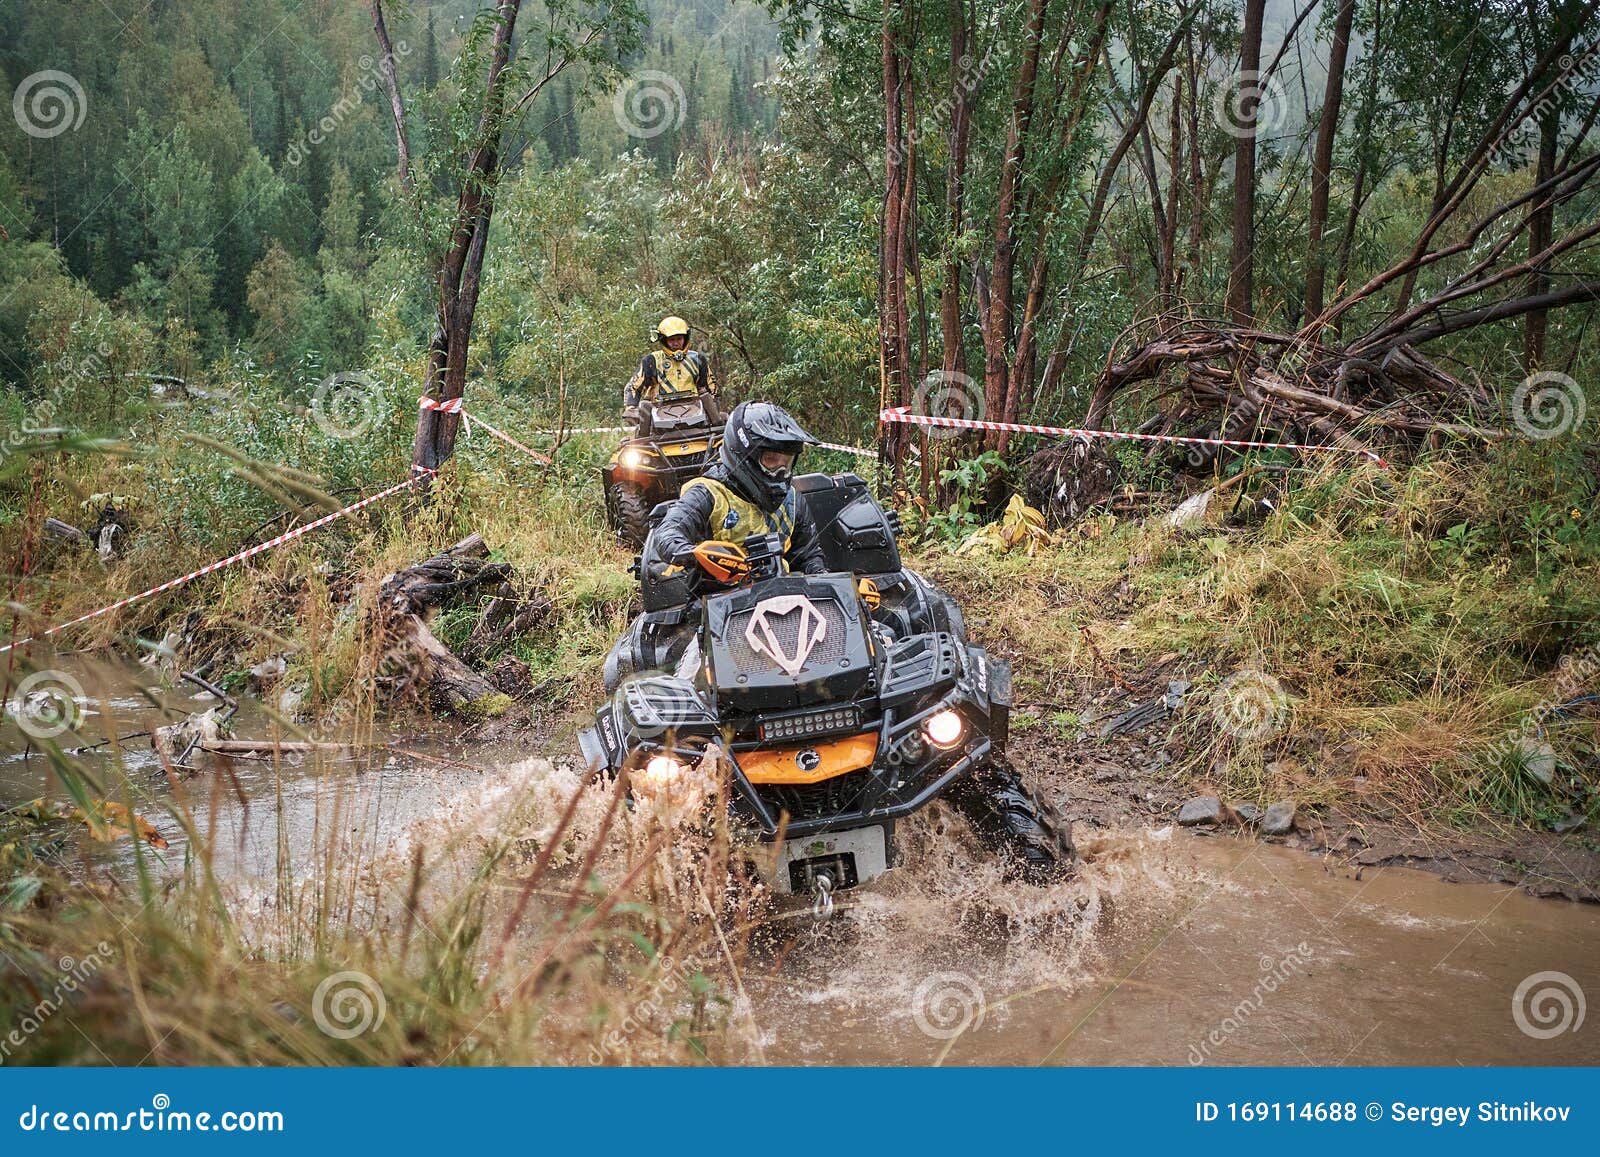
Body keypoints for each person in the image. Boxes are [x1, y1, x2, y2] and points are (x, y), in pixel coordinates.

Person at [653, 401, 829, 588]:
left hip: (782, 596)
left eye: (786, 462)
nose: (780, 471)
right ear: (745, 454)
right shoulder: (707, 493)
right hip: (717, 600)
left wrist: (823, 579)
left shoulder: (792, 501)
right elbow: (667, 533)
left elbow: (809, 556)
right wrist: (696, 555)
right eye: (770, 460)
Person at [622, 315, 720, 433]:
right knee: (644, 409)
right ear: (664, 340)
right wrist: (631, 408)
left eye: (679, 339)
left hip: (695, 409)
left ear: (685, 338)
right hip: (658, 411)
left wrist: (714, 405)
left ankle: (720, 440)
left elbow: (711, 386)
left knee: (720, 422)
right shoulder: (651, 360)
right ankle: (642, 442)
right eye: (671, 340)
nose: (676, 343)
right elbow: (634, 386)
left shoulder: (697, 359)